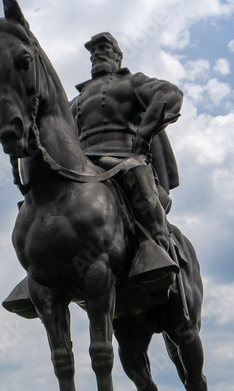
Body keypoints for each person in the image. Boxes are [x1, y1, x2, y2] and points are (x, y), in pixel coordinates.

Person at [70, 32, 183, 253]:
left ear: (118, 57)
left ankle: (157, 246)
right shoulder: (75, 100)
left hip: (123, 159)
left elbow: (169, 93)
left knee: (135, 174)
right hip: (81, 167)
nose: (96, 55)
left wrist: (144, 134)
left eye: (103, 49)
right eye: (93, 52)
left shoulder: (131, 82)